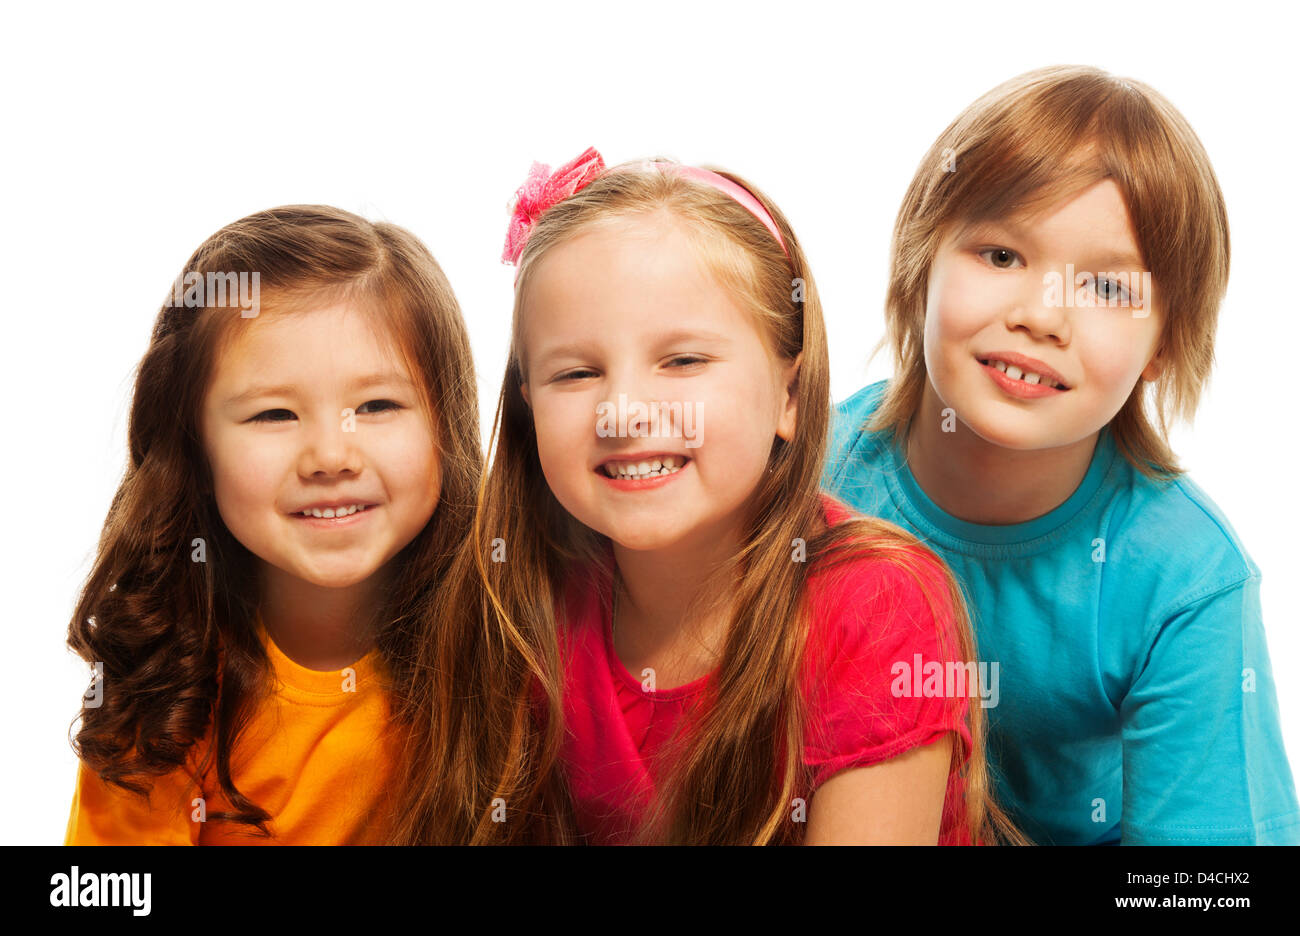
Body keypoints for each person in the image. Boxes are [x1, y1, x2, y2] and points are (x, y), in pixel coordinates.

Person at [392, 148, 1021, 844]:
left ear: (788, 393)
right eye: (575, 373)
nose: (624, 412)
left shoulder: (876, 606)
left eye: (684, 361)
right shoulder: (521, 599)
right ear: (527, 403)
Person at [823, 65, 1300, 844]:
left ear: (1164, 345)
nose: (1044, 316)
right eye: (1002, 256)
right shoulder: (816, 474)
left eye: (1107, 290)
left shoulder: (1183, 579)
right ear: (921, 264)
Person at [64, 205, 481, 844]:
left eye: (376, 405)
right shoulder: (166, 686)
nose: (331, 457)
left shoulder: (505, 641)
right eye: (274, 415)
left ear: (447, 429)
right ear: (194, 450)